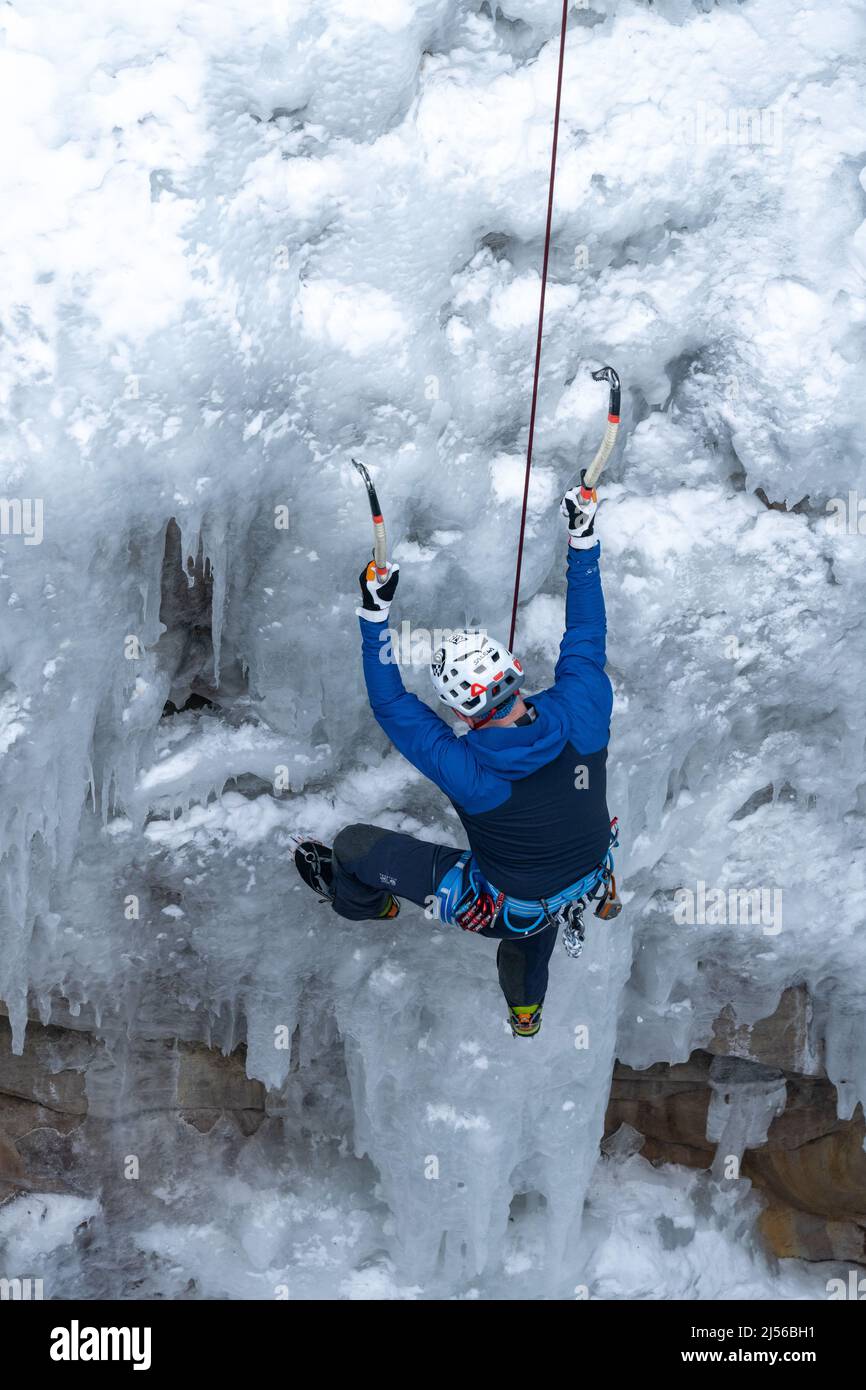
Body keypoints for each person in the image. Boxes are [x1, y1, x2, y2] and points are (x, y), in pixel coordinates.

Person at [294, 477, 617, 1036]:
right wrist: (582, 539)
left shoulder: (471, 775)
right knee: (536, 905)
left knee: (353, 848)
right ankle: (525, 1012)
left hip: (508, 903)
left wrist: (376, 617)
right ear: (513, 675)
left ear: (461, 714)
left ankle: (371, 904)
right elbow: (586, 631)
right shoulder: (584, 708)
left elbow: (392, 703)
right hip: (587, 874)